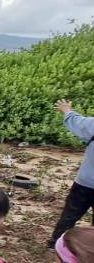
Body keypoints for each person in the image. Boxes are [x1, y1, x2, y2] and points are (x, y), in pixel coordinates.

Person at [49, 99, 94, 246]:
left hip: (85, 183)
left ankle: (57, 242)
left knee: (70, 215)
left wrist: (66, 109)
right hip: (85, 182)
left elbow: (76, 122)